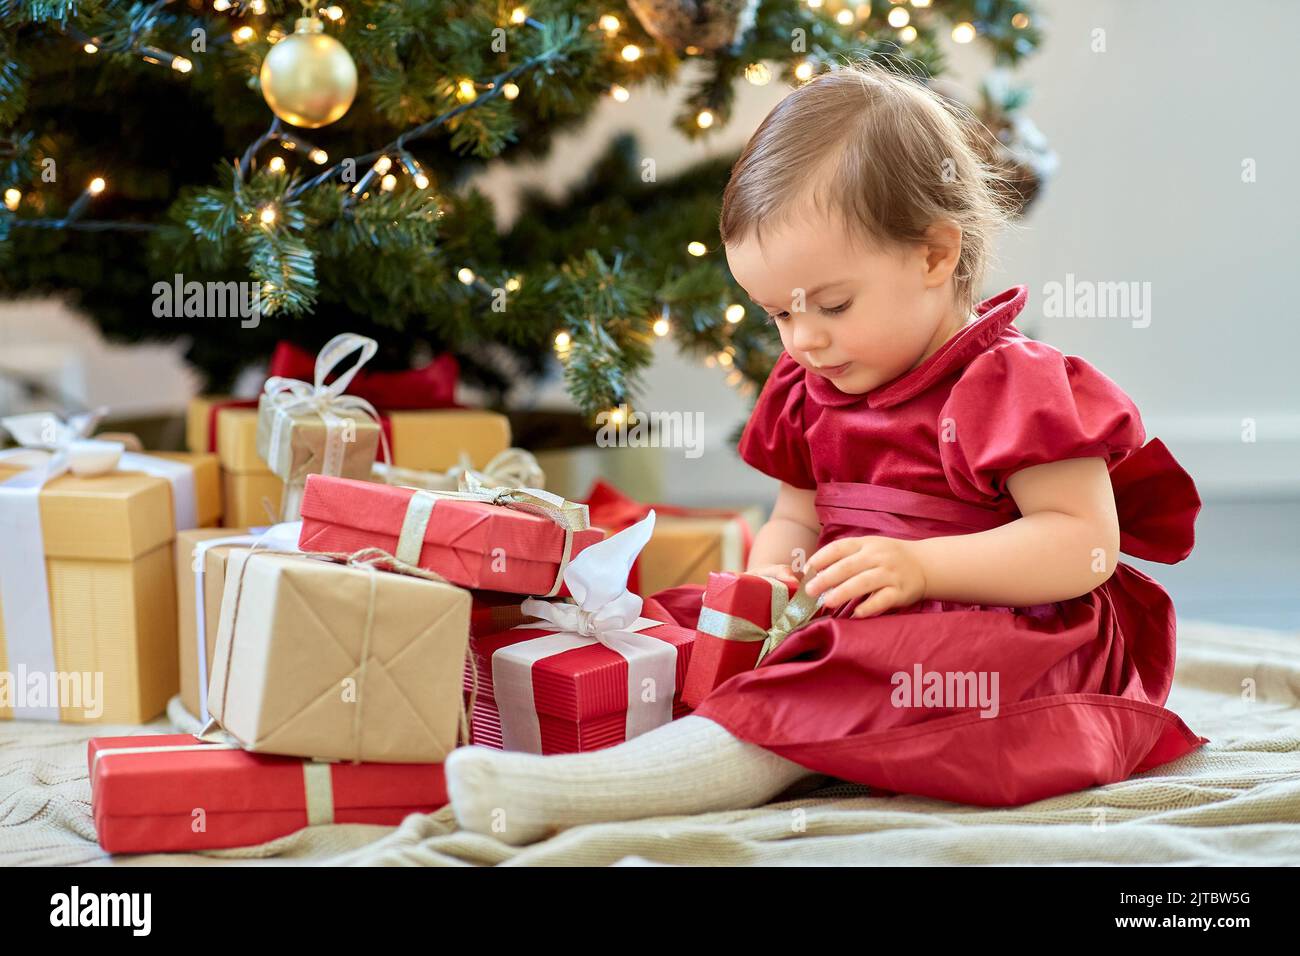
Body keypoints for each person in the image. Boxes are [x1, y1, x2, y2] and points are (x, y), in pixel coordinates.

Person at [444, 59, 1206, 845]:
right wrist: (772, 575)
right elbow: (794, 518)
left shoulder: (1018, 385)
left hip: (1014, 634)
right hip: (854, 615)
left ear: (934, 256)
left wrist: (922, 570)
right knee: (685, 628)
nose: (804, 340)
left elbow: (1084, 547)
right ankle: (583, 730)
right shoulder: (810, 388)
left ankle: (605, 791)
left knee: (870, 665)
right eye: (778, 314)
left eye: (832, 305)